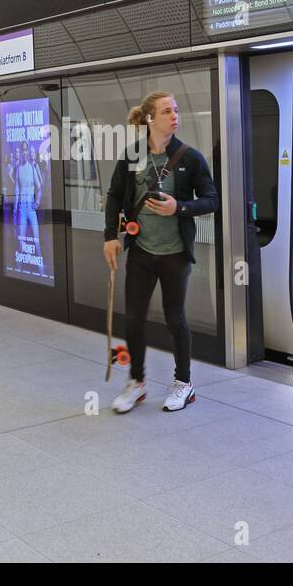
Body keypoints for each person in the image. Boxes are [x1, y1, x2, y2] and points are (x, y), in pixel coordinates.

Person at [103, 91, 219, 413]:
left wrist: (178, 207)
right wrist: (110, 236)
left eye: (177, 110)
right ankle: (136, 382)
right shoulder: (132, 156)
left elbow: (211, 199)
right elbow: (114, 197)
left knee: (175, 319)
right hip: (140, 250)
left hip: (175, 253)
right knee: (134, 320)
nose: (174, 116)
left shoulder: (190, 157)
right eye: (167, 111)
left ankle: (184, 384)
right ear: (151, 118)